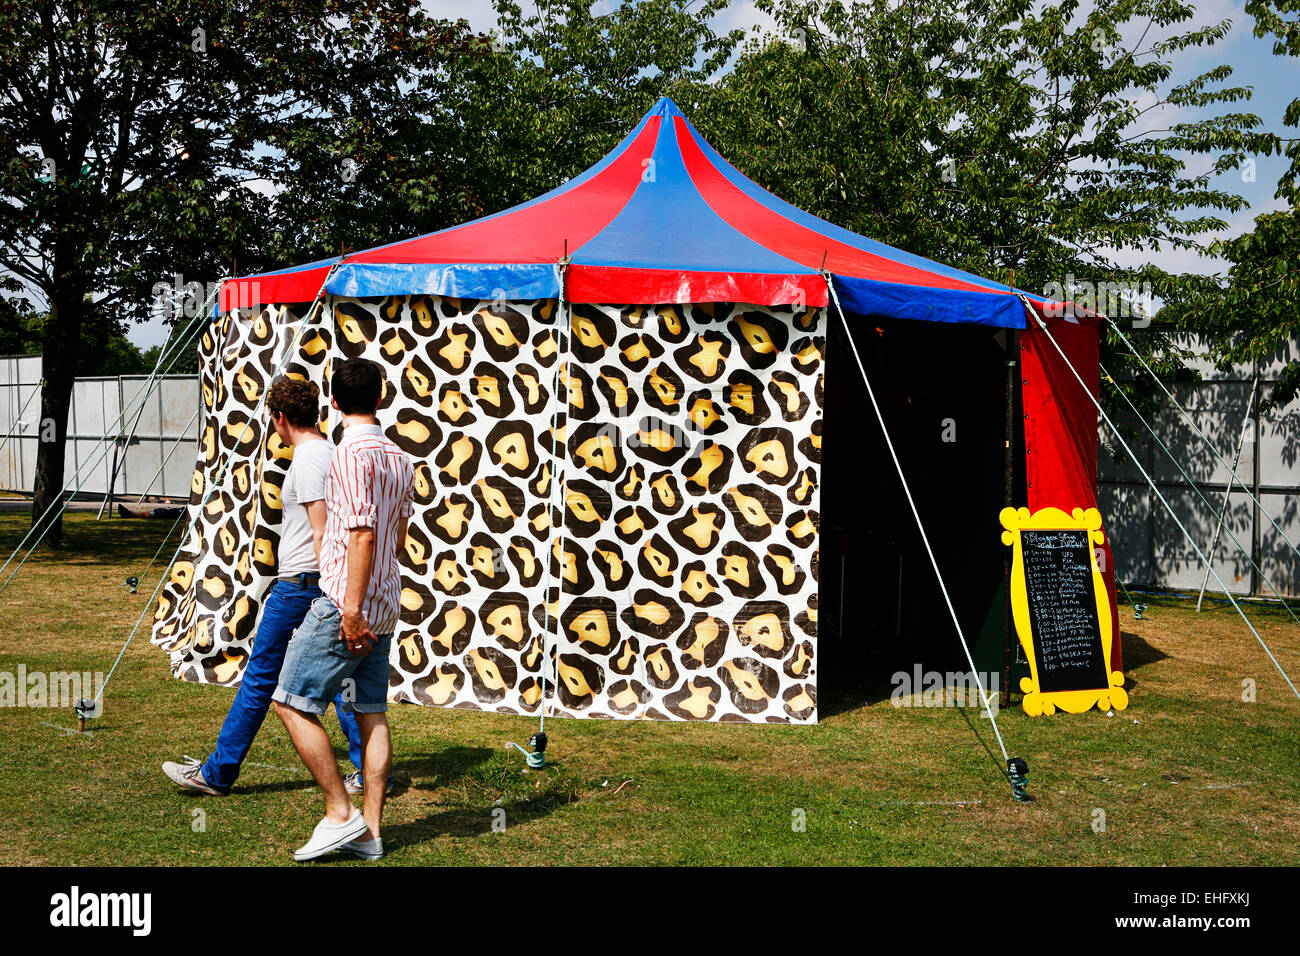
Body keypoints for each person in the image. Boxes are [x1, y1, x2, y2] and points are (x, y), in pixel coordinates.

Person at [162, 377, 369, 797]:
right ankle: (366, 769)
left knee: (260, 677)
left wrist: (330, 588)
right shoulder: (332, 452)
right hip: (320, 584)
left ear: (279, 418)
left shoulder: (311, 458)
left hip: (303, 585)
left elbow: (322, 531)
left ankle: (218, 774)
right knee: (337, 683)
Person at [272, 357, 414, 862]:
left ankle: (340, 812)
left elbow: (362, 533)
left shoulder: (348, 455)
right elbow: (397, 539)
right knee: (371, 711)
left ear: (332, 402)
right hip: (385, 601)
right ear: (380, 397)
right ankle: (371, 833)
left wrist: (350, 609)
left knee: (291, 701)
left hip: (345, 604)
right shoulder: (401, 458)